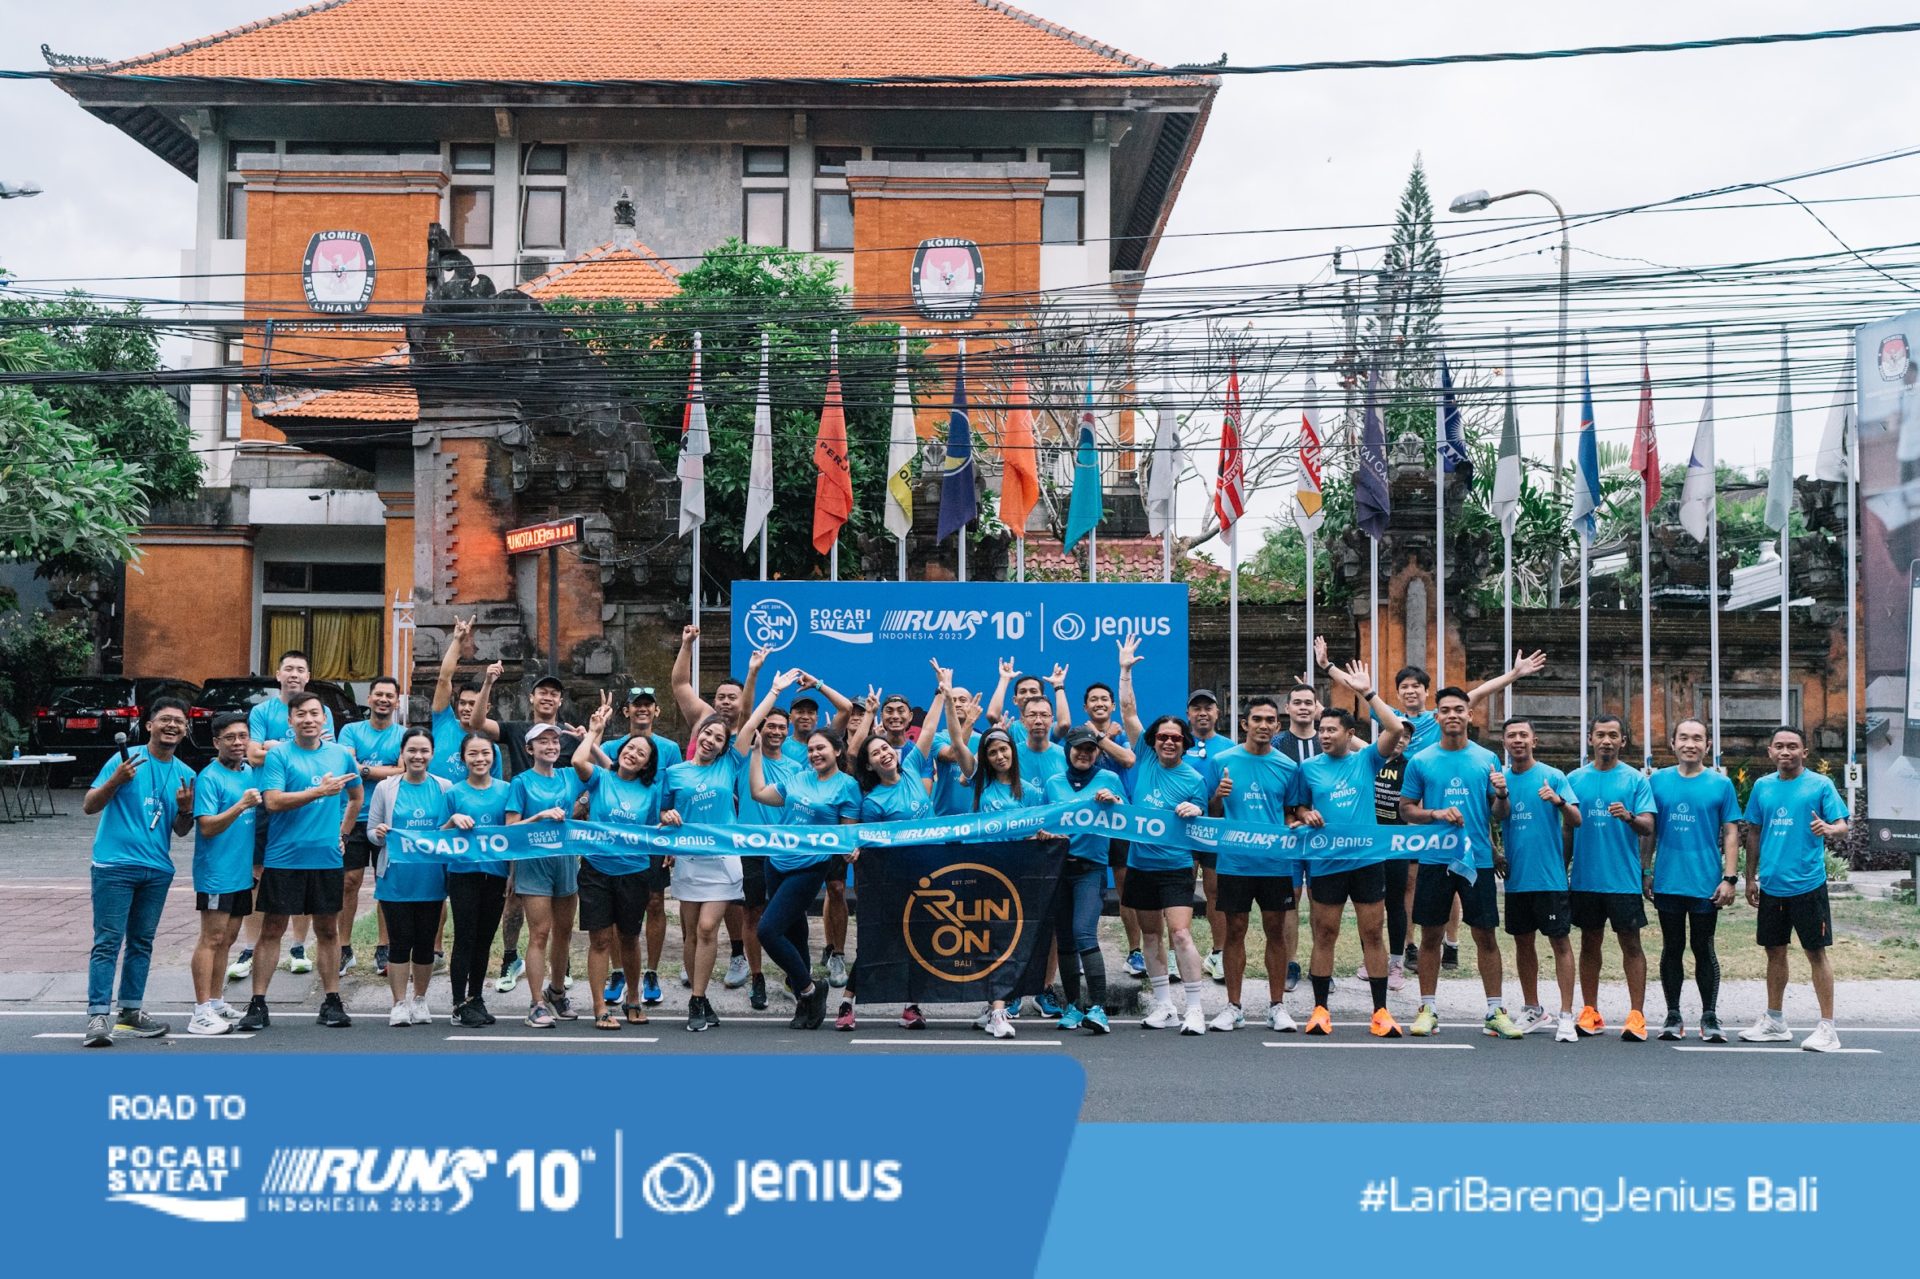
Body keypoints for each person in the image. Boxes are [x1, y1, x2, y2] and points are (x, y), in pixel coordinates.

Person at [1320, 638, 1548, 971]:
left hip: (1441, 807)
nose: (1410, 691)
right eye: (1404, 687)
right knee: (1408, 886)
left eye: (1416, 686)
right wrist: (1328, 668)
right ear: (1397, 693)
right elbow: (1360, 692)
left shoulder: (1441, 716)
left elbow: (1479, 693)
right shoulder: (1393, 720)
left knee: (1450, 878)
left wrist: (1513, 674)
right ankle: (1407, 949)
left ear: (1428, 693)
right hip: (1402, 810)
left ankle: (1450, 943)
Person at [1397, 686, 1523, 1039]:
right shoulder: (1421, 760)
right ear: (1436, 717)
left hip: (1477, 859)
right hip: (1435, 858)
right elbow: (1406, 809)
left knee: (1485, 935)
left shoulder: (1486, 759)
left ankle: (1495, 1010)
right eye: (1445, 710)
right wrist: (1435, 812)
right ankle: (1428, 1009)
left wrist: (1501, 793)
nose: (1452, 715)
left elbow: (1499, 814)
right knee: (1431, 935)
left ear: (1470, 715)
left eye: (1459, 709)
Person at [1296, 662, 1407, 1038]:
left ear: (1349, 733)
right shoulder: (1309, 768)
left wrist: (1368, 692)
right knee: (1324, 933)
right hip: (1326, 861)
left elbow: (1395, 729)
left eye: (1331, 730)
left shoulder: (1367, 759)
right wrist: (1305, 813)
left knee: (1373, 934)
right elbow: (1296, 807)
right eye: (1321, 729)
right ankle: (1320, 1010)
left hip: (1366, 861)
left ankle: (1380, 1013)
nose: (1324, 735)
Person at [81, 697, 197, 1047]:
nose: (172, 725)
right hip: (114, 866)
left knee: (142, 943)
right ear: (149, 725)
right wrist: (115, 779)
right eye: (164, 719)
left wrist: (186, 810)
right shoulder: (125, 760)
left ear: (186, 729)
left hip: (157, 869)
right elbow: (90, 805)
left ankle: (130, 1012)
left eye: (179, 721)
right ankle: (98, 1015)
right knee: (107, 942)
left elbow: (180, 830)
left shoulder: (186, 774)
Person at [242, 690, 361, 1031]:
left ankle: (332, 1000)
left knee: (327, 930)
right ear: (290, 721)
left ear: (324, 719)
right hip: (284, 858)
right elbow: (273, 802)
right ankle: (258, 1002)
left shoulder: (340, 755)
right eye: (301, 715)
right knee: (273, 930)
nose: (308, 719)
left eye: (314, 713)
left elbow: (356, 796)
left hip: (325, 858)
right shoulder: (279, 755)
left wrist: (343, 833)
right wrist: (317, 793)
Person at [666, 680, 778, 1031]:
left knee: (707, 927)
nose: (711, 740)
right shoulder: (674, 773)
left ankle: (697, 999)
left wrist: (772, 691)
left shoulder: (729, 764)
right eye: (707, 734)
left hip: (723, 861)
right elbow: (662, 814)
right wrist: (666, 818)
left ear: (724, 747)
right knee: (690, 935)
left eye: (719, 738)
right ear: (698, 735)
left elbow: (748, 722)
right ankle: (699, 1000)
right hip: (687, 861)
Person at [1115, 635, 1212, 1034]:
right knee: (1150, 935)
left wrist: (1197, 809)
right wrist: (1124, 672)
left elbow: (1202, 819)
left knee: (1181, 934)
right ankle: (1163, 1005)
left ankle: (1195, 1008)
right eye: (1162, 737)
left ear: (1184, 744)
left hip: (1175, 867)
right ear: (1153, 742)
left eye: (1175, 737)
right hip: (1140, 865)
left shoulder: (1193, 777)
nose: (1168, 741)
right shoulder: (1147, 760)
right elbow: (1129, 711)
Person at [743, 670, 848, 1031]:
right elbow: (759, 793)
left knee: (768, 929)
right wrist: (756, 753)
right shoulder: (797, 777)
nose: (816, 753)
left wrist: (852, 851)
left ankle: (807, 988)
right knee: (794, 931)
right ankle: (807, 1008)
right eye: (812, 748)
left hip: (810, 866)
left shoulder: (846, 786)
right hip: (777, 861)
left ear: (837, 750)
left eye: (822, 748)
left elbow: (847, 837)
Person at [470, 661, 584, 998]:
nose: (548, 697)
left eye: (554, 693)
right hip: (523, 830)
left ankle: (559, 975)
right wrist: (489, 682)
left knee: (561, 923)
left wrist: (590, 735)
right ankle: (509, 959)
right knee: (514, 900)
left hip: (561, 839)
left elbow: (592, 778)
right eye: (542, 692)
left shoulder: (569, 736)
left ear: (560, 701)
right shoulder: (518, 729)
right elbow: (476, 723)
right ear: (532, 698)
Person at [1737, 725, 1849, 1051]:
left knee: (1815, 952)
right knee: (1774, 951)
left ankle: (1828, 1028)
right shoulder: (1762, 787)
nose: (1786, 752)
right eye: (1779, 746)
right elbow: (1754, 833)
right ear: (1770, 752)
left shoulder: (1820, 785)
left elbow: (1842, 826)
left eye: (1792, 746)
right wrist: (1750, 878)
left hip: (1807, 884)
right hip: (1772, 885)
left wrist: (1829, 828)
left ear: (1804, 752)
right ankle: (1775, 1021)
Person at [669, 628, 768, 995]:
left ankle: (738, 955)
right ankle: (693, 967)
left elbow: (753, 713)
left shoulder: (737, 736)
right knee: (692, 919)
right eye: (721, 696)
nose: (726, 702)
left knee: (726, 907)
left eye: (734, 697)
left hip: (725, 830)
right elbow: (680, 682)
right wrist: (687, 643)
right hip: (691, 835)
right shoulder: (702, 717)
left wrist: (755, 673)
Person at [231, 649, 337, 983]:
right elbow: (253, 755)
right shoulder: (262, 710)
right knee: (258, 876)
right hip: (267, 802)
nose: (294, 674)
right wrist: (282, 748)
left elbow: (327, 753)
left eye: (300, 669)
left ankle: (298, 948)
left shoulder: (324, 711)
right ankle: (250, 947)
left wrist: (274, 745)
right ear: (278, 674)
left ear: (308, 676)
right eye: (288, 668)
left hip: (312, 805)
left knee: (307, 879)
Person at [1203, 695, 1305, 1032]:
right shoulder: (1222, 760)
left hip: (1275, 864)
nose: (1263, 725)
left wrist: (1297, 822)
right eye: (1257, 719)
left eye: (1270, 720)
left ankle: (1277, 1006)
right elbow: (1210, 813)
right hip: (1234, 863)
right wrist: (1219, 794)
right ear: (1245, 724)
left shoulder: (1289, 767)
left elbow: (1292, 812)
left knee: (1275, 932)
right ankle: (1234, 1006)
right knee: (1234, 932)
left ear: (1278, 726)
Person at [573, 694, 673, 1031]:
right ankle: (600, 1007)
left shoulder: (650, 792)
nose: (632, 754)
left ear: (647, 764)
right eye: (629, 749)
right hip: (596, 870)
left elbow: (656, 824)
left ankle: (634, 997)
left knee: (630, 937)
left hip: (634, 873)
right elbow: (576, 761)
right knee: (600, 940)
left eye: (641, 754)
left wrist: (670, 819)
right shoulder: (602, 778)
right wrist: (594, 731)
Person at [1647, 717, 1742, 1042]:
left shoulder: (1720, 785)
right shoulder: (1657, 781)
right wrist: (1646, 870)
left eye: (1697, 738)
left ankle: (1709, 1017)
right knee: (1672, 947)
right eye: (1683, 737)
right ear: (1672, 743)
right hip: (1667, 880)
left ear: (1708, 746)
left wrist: (1730, 878)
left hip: (1706, 882)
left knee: (1704, 947)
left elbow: (1731, 832)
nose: (1690, 744)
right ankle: (1673, 1016)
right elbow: (1649, 831)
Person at [1567, 715, 1658, 1041]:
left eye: (1613, 735)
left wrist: (1629, 816)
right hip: (1585, 879)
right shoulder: (1574, 779)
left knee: (1631, 945)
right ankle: (1590, 1011)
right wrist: (1562, 872)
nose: (1606, 741)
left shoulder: (1635, 781)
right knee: (1589, 944)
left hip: (1622, 880)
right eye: (1600, 735)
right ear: (1590, 739)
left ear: (1623, 741)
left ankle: (1636, 1016)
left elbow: (1648, 826)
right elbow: (1567, 828)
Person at [849, 722, 939, 1031]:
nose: (884, 754)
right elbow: (872, 848)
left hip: (927, 875)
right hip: (893, 881)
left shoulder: (913, 768)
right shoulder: (873, 803)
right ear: (871, 766)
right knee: (878, 942)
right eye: (875, 753)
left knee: (917, 943)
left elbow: (927, 732)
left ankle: (911, 1007)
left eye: (885, 748)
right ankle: (847, 1003)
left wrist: (942, 693)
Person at [597, 686, 682, 1011]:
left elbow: (673, 792)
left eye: (649, 705)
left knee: (656, 904)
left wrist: (671, 839)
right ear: (627, 711)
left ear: (657, 711)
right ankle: (618, 973)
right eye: (637, 705)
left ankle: (651, 973)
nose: (643, 710)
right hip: (614, 844)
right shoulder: (610, 747)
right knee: (619, 912)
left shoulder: (670, 749)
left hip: (654, 836)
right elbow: (600, 784)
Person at [1497, 717, 1582, 1041]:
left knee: (1560, 942)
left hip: (1549, 878)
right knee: (1522, 942)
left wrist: (1558, 801)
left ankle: (1565, 1014)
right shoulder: (1501, 780)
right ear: (1505, 743)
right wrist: (1501, 795)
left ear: (1534, 740)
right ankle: (1533, 1008)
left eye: (1523, 735)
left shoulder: (1553, 776)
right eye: (1511, 736)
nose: (1517, 740)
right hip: (1517, 879)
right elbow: (1497, 815)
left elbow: (1576, 819)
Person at [959, 725, 1043, 1037]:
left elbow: (1041, 828)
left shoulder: (1031, 792)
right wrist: (949, 700)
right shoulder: (980, 784)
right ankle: (995, 1010)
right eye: (992, 752)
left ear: (1013, 751)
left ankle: (995, 1009)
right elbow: (957, 742)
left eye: (1003, 749)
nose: (999, 756)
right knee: (989, 941)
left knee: (1007, 942)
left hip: (1017, 879)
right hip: (984, 876)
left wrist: (1041, 833)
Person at [366, 729, 453, 1026]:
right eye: (412, 750)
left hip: (431, 878)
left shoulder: (444, 787)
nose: (418, 756)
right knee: (400, 942)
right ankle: (399, 1003)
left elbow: (450, 832)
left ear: (432, 754)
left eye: (424, 751)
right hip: (395, 878)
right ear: (402, 753)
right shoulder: (385, 788)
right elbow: (373, 831)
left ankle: (420, 1000)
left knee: (426, 943)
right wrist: (377, 835)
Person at [1044, 726, 1124, 1033]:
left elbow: (1127, 818)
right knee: (1064, 940)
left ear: (1098, 753)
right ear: (1068, 750)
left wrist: (1114, 801)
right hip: (1059, 868)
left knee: (1084, 934)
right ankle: (1074, 1007)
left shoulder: (1109, 780)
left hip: (1091, 869)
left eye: (1091, 748)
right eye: (1078, 748)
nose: (1085, 753)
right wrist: (1046, 834)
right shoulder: (1053, 783)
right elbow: (1043, 819)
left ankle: (1098, 1008)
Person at [505, 723, 585, 1027]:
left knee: (564, 933)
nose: (550, 746)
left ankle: (557, 992)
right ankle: (536, 1003)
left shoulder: (568, 776)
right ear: (530, 749)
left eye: (554, 741)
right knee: (540, 932)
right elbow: (510, 828)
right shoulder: (521, 782)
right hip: (533, 862)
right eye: (543, 742)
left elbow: (605, 770)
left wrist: (585, 737)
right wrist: (539, 816)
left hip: (565, 861)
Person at [187, 712, 260, 1036]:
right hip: (216, 872)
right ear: (216, 742)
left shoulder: (248, 773)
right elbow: (206, 826)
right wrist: (240, 806)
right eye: (230, 738)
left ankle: (216, 1001)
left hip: (242, 872)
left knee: (228, 940)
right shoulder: (209, 777)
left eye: (242, 736)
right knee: (212, 938)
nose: (237, 743)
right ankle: (200, 1011)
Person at [338, 676, 406, 978]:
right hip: (351, 816)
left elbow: (403, 770)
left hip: (386, 818)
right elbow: (346, 767)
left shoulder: (402, 734)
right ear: (370, 698)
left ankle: (384, 947)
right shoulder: (351, 730)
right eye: (378, 694)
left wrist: (364, 768)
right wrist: (382, 770)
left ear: (396, 701)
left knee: (386, 884)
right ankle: (344, 948)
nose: (383, 700)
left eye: (389, 695)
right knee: (348, 882)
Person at [444, 733, 511, 1027]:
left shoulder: (507, 790)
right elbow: (436, 838)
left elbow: (514, 837)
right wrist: (452, 821)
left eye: (485, 753)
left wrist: (512, 874)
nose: (480, 759)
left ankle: (476, 998)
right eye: (473, 754)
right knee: (465, 938)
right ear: (463, 759)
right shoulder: (453, 794)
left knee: (485, 940)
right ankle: (459, 1003)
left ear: (494, 756)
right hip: (463, 875)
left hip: (496, 875)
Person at [1183, 689, 1234, 983]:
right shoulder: (1178, 744)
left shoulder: (1229, 748)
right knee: (1180, 892)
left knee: (1216, 892)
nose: (1202, 713)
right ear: (1188, 714)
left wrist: (1217, 800)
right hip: (1183, 833)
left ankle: (1219, 954)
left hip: (1217, 830)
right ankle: (1180, 952)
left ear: (1217, 713)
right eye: (1196, 708)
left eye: (1208, 708)